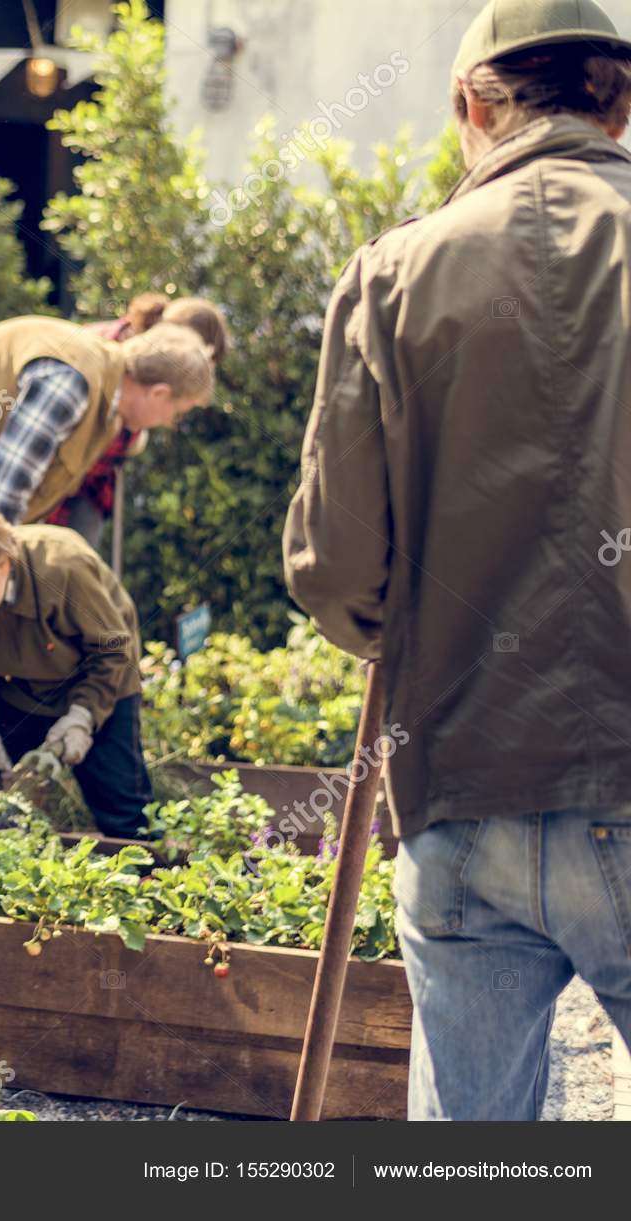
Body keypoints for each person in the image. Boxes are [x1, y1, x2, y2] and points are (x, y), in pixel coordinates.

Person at [283, 0, 631, 1120]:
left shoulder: (391, 273)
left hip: (461, 786)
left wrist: (436, 642)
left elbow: (332, 567)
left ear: (470, 107)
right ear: (619, 105)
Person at [0, 317, 215, 783]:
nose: (172, 423)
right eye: (179, 412)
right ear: (158, 394)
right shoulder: (72, 383)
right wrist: (0, 589)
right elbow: (1, 497)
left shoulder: (103, 389)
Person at [0, 495, 151, 837]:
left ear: (2, 564)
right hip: (16, 690)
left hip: (98, 684)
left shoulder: (64, 568)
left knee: (123, 814)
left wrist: (82, 717)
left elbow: (112, 652)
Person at [50, 295, 231, 548]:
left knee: (73, 560)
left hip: (89, 480)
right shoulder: (112, 349)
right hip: (60, 469)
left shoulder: (150, 362)